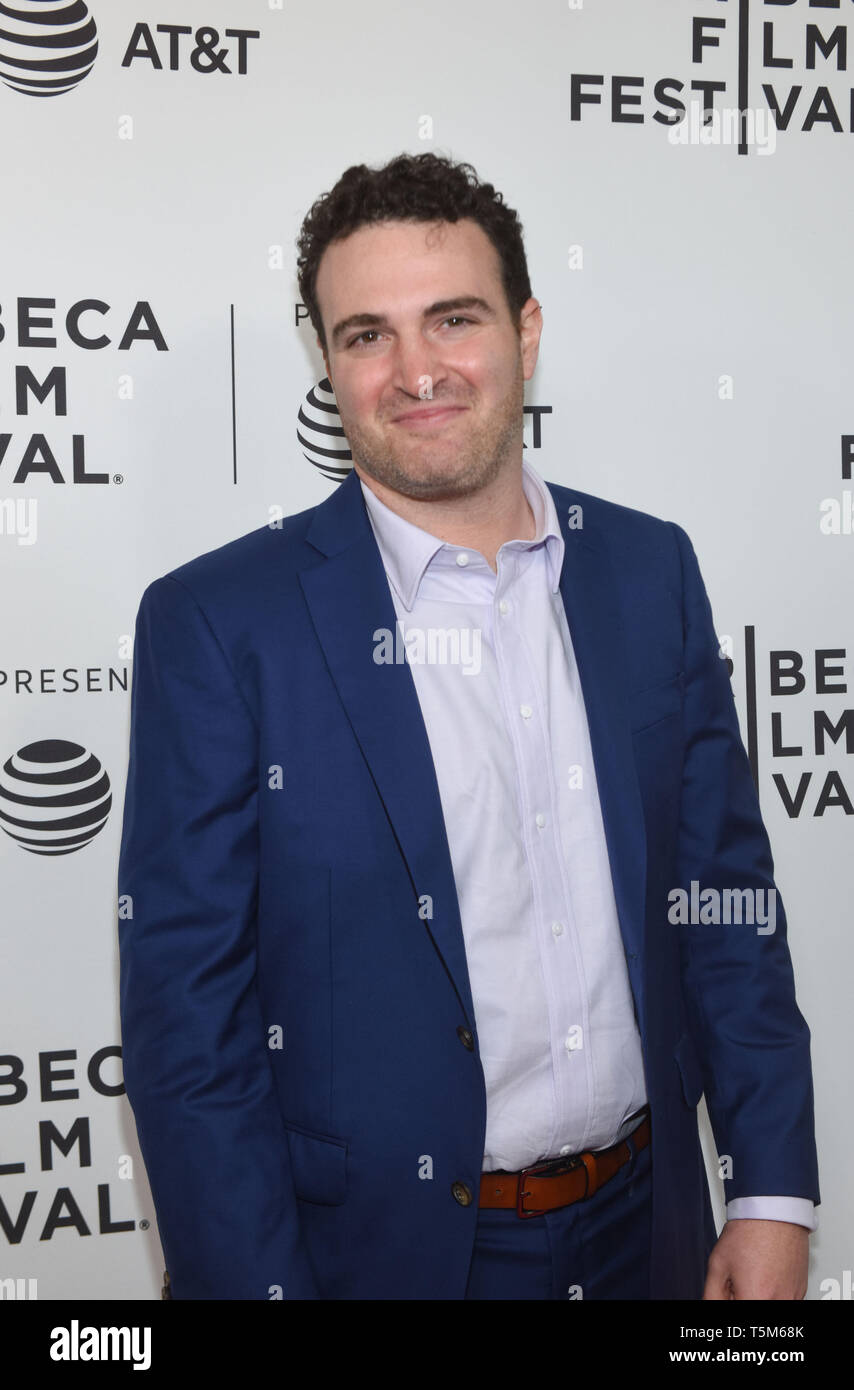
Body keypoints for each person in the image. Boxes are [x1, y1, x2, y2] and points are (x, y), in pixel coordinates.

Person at [117, 151, 819, 1301]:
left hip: (654, 1230)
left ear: (525, 332)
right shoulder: (218, 623)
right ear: (327, 363)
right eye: (365, 335)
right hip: (375, 1264)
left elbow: (725, 908)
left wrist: (770, 1195)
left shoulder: (649, 571)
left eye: (452, 319)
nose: (414, 372)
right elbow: (188, 1034)